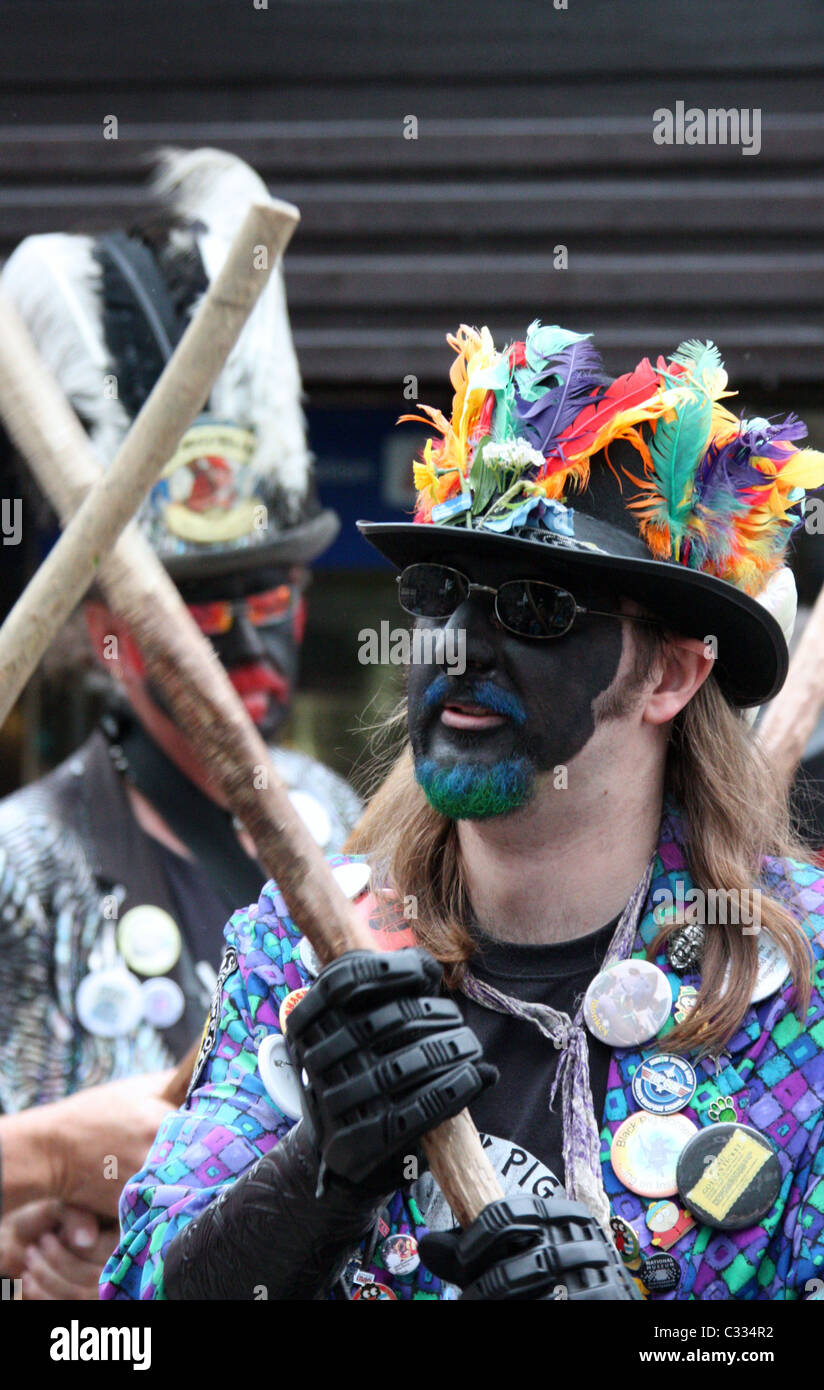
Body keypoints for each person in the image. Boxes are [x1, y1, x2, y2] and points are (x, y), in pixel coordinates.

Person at [101, 323, 824, 1301]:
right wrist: (325, 1166)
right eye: (438, 593)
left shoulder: (797, 988)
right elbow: (135, 1314)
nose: (454, 648)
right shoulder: (312, 942)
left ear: (669, 671)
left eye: (532, 608)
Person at [0, 148, 360, 1294]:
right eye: (204, 623)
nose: (253, 658)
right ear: (111, 633)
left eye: (275, 608)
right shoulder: (22, 858)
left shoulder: (342, 820)